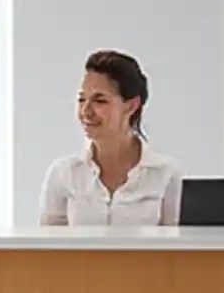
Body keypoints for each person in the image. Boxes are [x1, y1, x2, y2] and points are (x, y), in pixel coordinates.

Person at [39, 50, 183, 226]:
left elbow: (176, 248)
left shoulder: (165, 172)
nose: (86, 111)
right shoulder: (63, 173)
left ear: (131, 105)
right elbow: (49, 248)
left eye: (100, 101)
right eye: (82, 99)